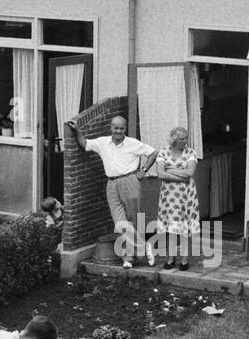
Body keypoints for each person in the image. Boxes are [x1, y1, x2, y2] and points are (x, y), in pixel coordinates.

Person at [66, 113, 156, 268]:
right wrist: (77, 130)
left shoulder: (132, 143)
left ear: (125, 129)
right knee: (120, 224)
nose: (118, 131)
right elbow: (85, 144)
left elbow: (153, 152)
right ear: (111, 128)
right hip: (112, 185)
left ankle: (128, 258)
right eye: (116, 128)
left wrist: (144, 170)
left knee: (133, 220)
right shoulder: (102, 142)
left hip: (130, 182)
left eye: (121, 128)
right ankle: (144, 247)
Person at [152, 126, 200, 270]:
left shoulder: (191, 152)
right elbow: (160, 174)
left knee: (185, 227)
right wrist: (179, 175)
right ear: (174, 139)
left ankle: (184, 260)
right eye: (181, 139)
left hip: (186, 196)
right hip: (169, 196)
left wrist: (170, 171)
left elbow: (190, 172)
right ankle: (170, 258)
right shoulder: (163, 152)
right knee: (171, 228)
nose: (184, 141)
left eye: (186, 138)